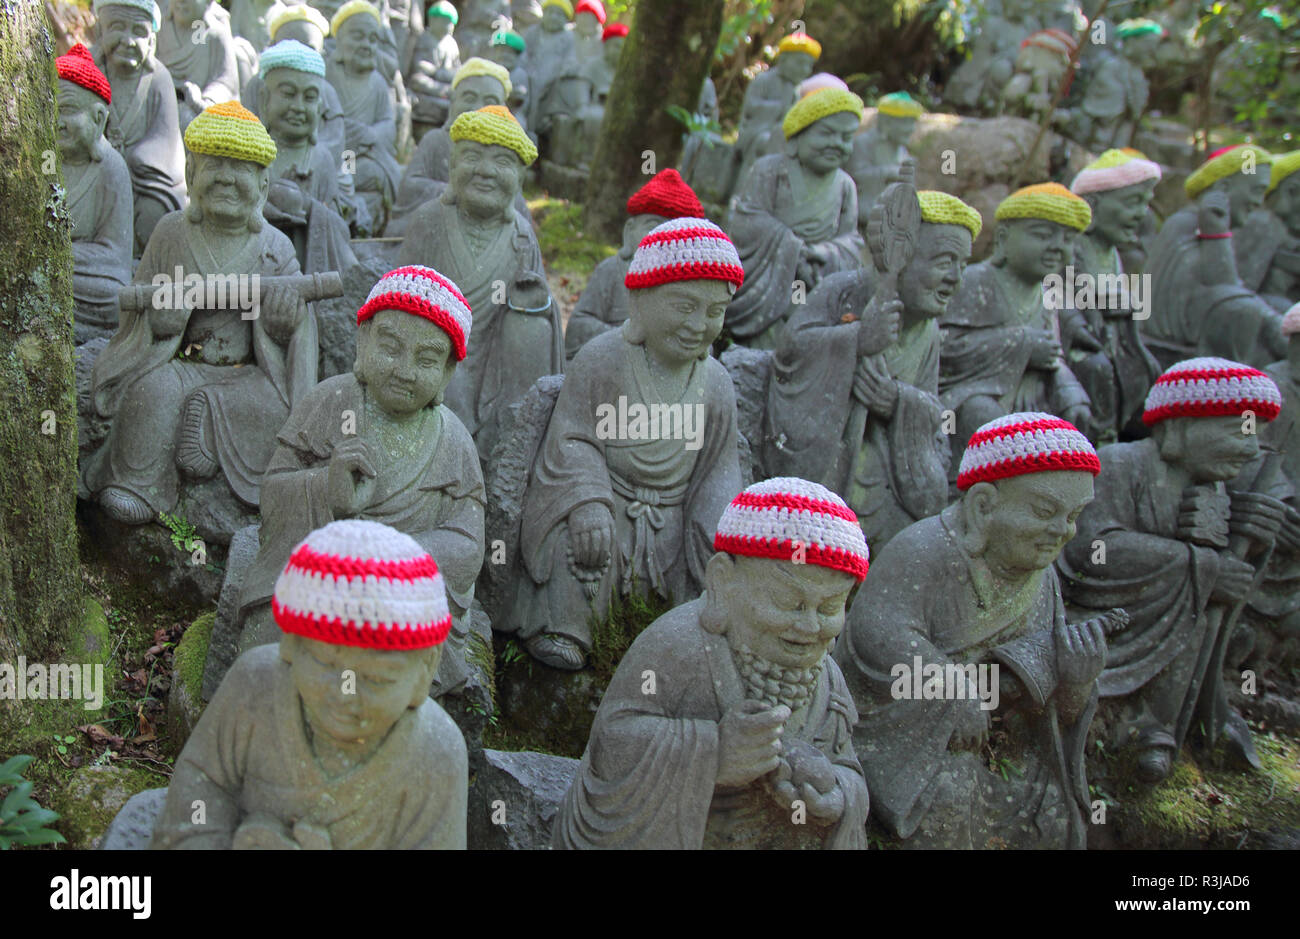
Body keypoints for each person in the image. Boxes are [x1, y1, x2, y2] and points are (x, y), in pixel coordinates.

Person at [554, 477, 871, 849]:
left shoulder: (826, 679)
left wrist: (837, 795)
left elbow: (849, 769)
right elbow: (612, 742)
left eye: (830, 608)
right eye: (789, 602)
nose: (810, 626)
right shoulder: (679, 645)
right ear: (723, 581)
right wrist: (713, 751)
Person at [838, 412, 1108, 848]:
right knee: (951, 792)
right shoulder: (924, 551)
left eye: (1073, 515)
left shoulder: (1045, 579)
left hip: (996, 737)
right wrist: (953, 690)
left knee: (1051, 807)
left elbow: (1043, 700)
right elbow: (877, 630)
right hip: (903, 734)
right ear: (984, 505)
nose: (1062, 531)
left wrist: (1075, 681)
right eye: (1044, 511)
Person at [506, 218, 743, 669]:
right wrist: (589, 501)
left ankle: (675, 647)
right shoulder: (603, 360)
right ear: (640, 299)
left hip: (674, 517)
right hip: (606, 500)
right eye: (683, 305)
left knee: (711, 568)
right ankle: (566, 627)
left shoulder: (716, 384)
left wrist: (718, 526)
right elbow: (572, 440)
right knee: (574, 544)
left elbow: (719, 468)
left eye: (714, 312)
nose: (698, 324)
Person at [151, 519, 467, 849]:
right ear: (290, 643)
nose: (345, 694)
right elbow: (199, 791)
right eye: (324, 662)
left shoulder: (436, 752)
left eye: (377, 678)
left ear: (425, 669)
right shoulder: (254, 686)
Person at [84, 102, 317, 526]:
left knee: (271, 410)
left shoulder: (275, 246)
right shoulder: (171, 233)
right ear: (191, 175)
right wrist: (160, 319)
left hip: (247, 372)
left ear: (263, 186)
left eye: (240, 169)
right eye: (215, 166)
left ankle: (206, 438)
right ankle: (138, 482)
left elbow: (296, 332)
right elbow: (140, 305)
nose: (227, 178)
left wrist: (283, 325)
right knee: (150, 392)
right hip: (180, 363)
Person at [1058, 358, 1286, 781]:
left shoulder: (1213, 487)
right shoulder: (1119, 463)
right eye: (1240, 432)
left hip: (1171, 615)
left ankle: (1157, 729)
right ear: (1180, 426)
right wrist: (1200, 565)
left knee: (1203, 606)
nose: (1252, 450)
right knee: (1199, 587)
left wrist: (1251, 538)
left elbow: (1224, 573)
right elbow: (1092, 550)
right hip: (1104, 614)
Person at [766, 191, 982, 548]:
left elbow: (930, 407)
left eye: (963, 265)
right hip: (832, 455)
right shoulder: (845, 290)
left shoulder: (928, 333)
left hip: (888, 468)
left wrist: (897, 401)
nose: (955, 279)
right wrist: (855, 339)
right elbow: (790, 353)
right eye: (944, 262)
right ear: (899, 255)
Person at [398, 105, 560, 461]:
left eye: (502, 163)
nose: (485, 171)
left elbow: (539, 304)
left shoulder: (520, 236)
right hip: (436, 350)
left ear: (519, 179)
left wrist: (533, 302)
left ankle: (511, 444)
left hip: (495, 357)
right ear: (453, 167)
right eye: (472, 157)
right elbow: (399, 295)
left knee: (534, 332)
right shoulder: (430, 222)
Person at [939, 183, 1092, 470]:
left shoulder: (1047, 294)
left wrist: (1070, 390)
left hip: (1032, 398)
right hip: (968, 396)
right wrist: (1021, 343)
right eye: (1042, 235)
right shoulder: (973, 281)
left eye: (1068, 239)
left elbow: (1052, 354)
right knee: (985, 418)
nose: (1057, 247)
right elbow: (942, 346)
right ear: (1003, 238)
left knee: (1071, 418)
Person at [726, 86, 866, 348]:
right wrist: (793, 248)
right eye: (826, 134)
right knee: (765, 341)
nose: (837, 143)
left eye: (846, 137)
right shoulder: (770, 170)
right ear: (797, 137)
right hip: (769, 279)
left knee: (814, 333)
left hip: (816, 277)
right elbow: (747, 219)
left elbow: (851, 239)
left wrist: (825, 253)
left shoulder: (845, 185)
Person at [1064, 149, 1163, 442]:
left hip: (1113, 339)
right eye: (1133, 202)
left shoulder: (1111, 253)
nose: (1142, 213)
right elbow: (1063, 302)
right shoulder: (1073, 249)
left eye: (1146, 203)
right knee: (1098, 370)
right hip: (1079, 343)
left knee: (1150, 368)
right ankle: (1097, 437)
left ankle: (1131, 432)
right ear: (1092, 206)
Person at [566, 168, 705, 359]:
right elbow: (577, 327)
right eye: (653, 226)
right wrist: (632, 336)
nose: (663, 239)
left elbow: (703, 345)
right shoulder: (611, 271)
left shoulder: (692, 289)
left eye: (677, 234)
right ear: (629, 231)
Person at [90, 0, 187, 254]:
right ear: (100, 31)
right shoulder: (89, 71)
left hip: (143, 176)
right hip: (95, 165)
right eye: (117, 27)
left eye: (139, 31)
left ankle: (144, 261)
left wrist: (135, 159)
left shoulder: (158, 79)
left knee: (155, 213)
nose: (128, 40)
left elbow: (166, 137)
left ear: (152, 42)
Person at [56, 44, 133, 344]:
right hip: (52, 268)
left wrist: (56, 253)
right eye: (49, 108)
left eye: (68, 110)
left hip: (91, 284)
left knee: (117, 299)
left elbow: (115, 256)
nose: (57, 121)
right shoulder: (42, 159)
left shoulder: (111, 169)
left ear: (99, 118)